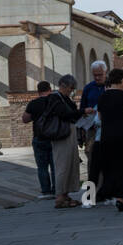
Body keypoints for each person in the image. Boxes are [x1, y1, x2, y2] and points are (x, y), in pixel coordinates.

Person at [90, 68, 123, 212]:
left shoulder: (102, 97)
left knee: (113, 167)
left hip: (107, 137)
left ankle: (119, 198)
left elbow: (100, 118)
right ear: (121, 81)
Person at [47, 75, 83, 209]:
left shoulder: (65, 98)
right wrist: (82, 111)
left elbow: (72, 112)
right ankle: (59, 197)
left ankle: (66, 194)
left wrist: (80, 112)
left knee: (71, 163)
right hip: (62, 135)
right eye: (70, 88)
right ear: (63, 85)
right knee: (62, 165)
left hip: (69, 133)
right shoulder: (55, 98)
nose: (71, 91)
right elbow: (65, 114)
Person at [21, 81, 57, 199]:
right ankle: (57, 189)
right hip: (54, 138)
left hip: (39, 137)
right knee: (54, 165)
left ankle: (46, 191)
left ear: (38, 91)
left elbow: (25, 119)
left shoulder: (33, 103)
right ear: (50, 89)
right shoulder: (55, 102)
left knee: (42, 167)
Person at [79, 60, 108, 175]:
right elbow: (82, 109)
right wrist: (86, 111)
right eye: (95, 75)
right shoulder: (88, 88)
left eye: (100, 75)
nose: (97, 77)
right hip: (91, 128)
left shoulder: (111, 86)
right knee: (91, 156)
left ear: (106, 72)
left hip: (108, 127)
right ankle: (92, 187)